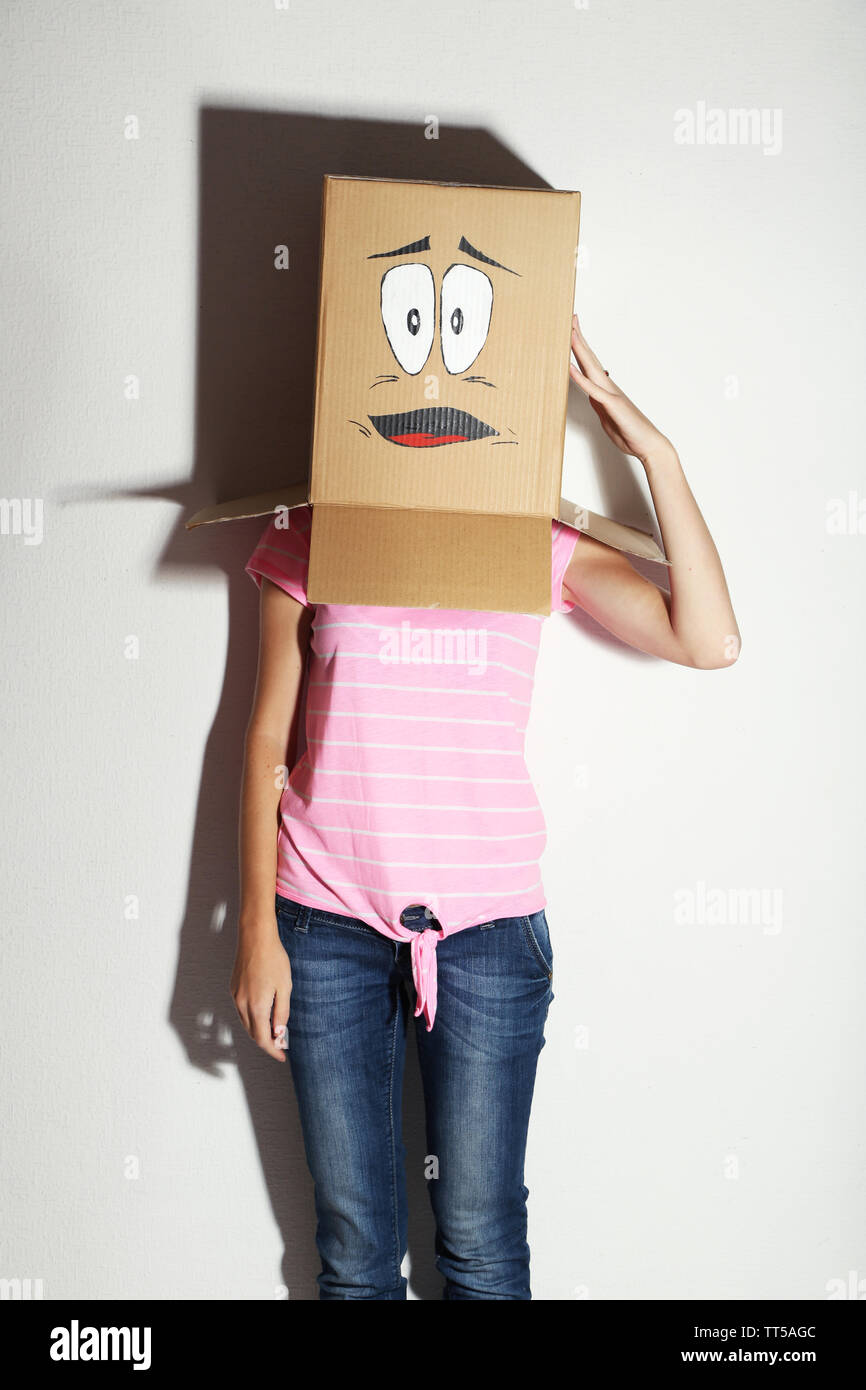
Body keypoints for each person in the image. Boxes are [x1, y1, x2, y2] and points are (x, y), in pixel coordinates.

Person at [230, 314, 741, 1299]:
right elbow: (262, 742)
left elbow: (707, 640)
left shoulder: (533, 544)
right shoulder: (307, 531)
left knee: (480, 1243)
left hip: (488, 933)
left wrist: (654, 454)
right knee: (354, 1253)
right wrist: (257, 929)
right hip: (323, 923)